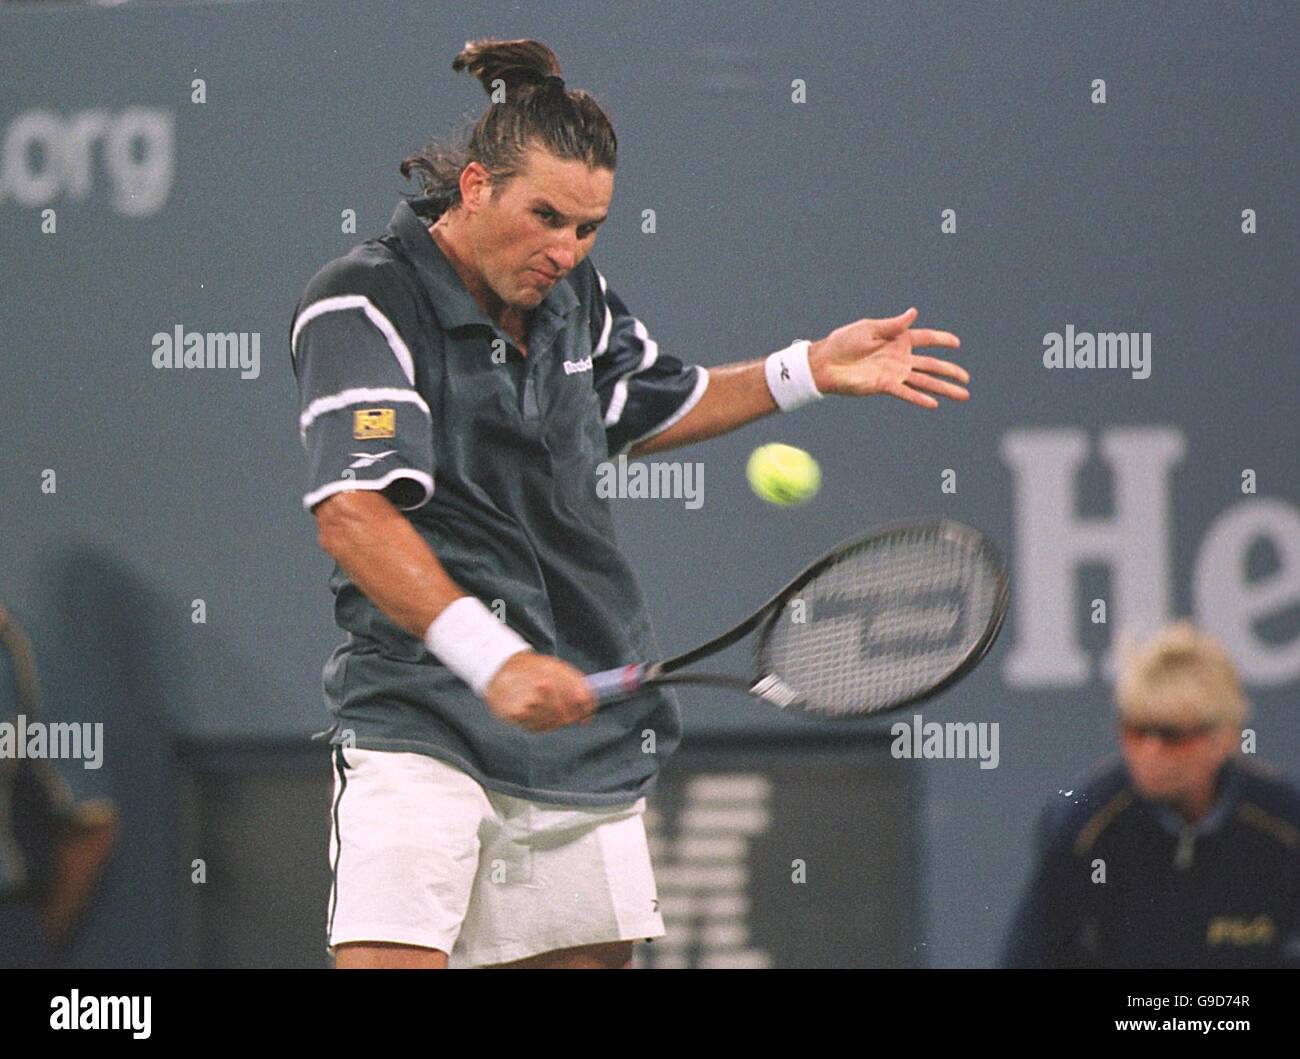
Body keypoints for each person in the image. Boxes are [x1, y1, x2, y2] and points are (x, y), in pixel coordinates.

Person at [290, 37, 970, 969]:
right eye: (545, 217)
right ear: (477, 186)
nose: (565, 250)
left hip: (582, 732)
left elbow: (649, 404)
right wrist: (494, 660)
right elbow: (354, 513)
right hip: (421, 716)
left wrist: (806, 369)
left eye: (588, 227)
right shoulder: (363, 302)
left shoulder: (574, 297)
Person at [1003, 621, 1300, 968]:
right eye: (1136, 730)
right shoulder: (1083, 828)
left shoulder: (1286, 827)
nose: (1149, 751)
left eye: (1171, 735)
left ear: (1224, 739)